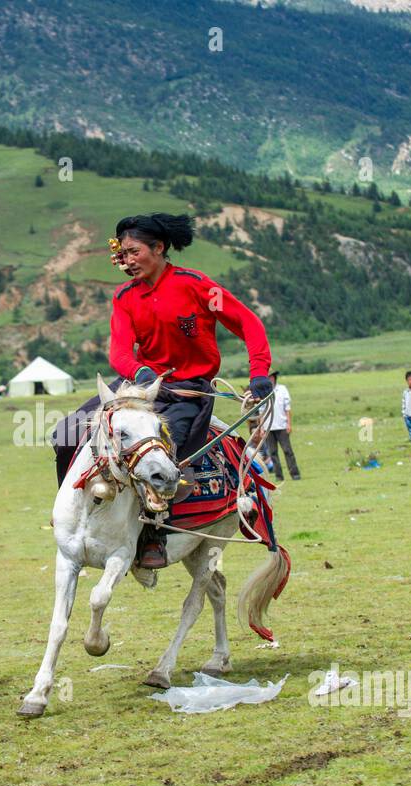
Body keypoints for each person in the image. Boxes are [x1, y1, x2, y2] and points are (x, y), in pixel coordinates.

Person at [50, 212, 273, 569]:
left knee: (163, 455)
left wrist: (259, 372)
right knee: (64, 433)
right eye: (123, 253)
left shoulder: (196, 285)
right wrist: (142, 374)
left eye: (135, 251)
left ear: (159, 248)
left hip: (187, 390)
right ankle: (70, 515)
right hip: (138, 386)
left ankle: (152, 533)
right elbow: (119, 352)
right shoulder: (124, 297)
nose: (128, 260)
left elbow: (248, 321)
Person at [265, 371, 300, 480]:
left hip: (282, 425)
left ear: (274, 377)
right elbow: (261, 410)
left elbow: (287, 408)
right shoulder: (264, 392)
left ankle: (295, 474)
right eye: (268, 377)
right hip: (268, 427)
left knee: (287, 451)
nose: (270, 379)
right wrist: (262, 428)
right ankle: (278, 476)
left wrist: (289, 424)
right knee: (273, 453)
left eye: (271, 376)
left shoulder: (282, 389)